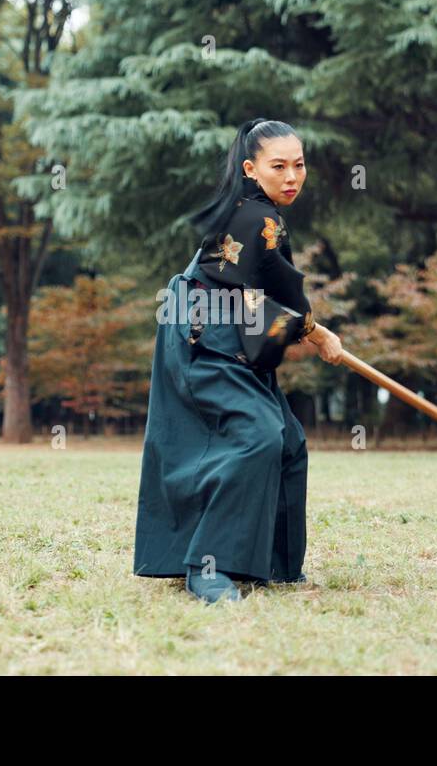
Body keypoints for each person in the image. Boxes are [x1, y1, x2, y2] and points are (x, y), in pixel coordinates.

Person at [133, 117, 343, 603]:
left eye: (299, 164)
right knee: (258, 434)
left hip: (233, 327)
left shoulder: (261, 214)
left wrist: (308, 329)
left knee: (287, 440)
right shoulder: (255, 217)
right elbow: (257, 291)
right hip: (203, 335)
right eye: (279, 166)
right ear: (251, 168)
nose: (292, 176)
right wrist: (315, 332)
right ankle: (209, 567)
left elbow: (266, 293)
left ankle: (274, 564)